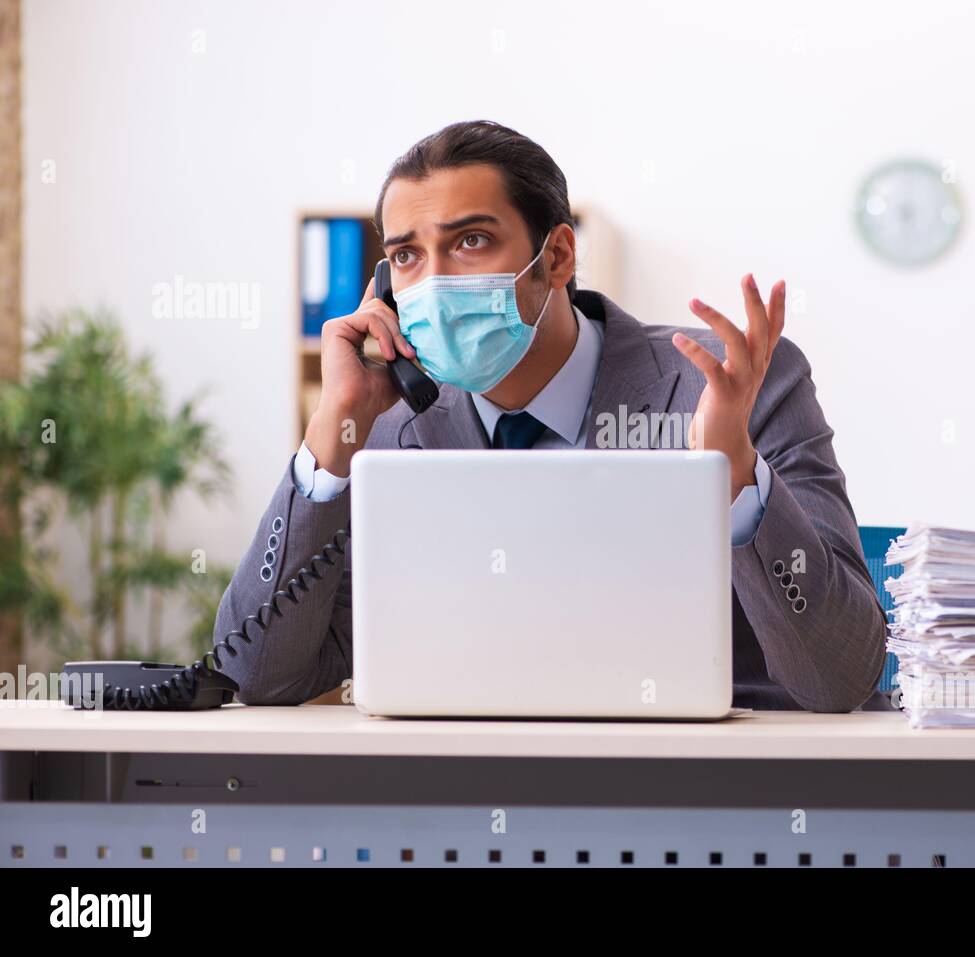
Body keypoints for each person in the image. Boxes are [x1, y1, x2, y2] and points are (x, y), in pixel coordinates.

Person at [214, 119, 888, 712]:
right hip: (467, 810)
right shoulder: (388, 427)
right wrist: (331, 438)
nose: (436, 283)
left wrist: (734, 473)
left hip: (712, 805)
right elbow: (262, 674)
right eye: (406, 256)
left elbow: (840, 676)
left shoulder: (732, 385)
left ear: (558, 256)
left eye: (471, 241)